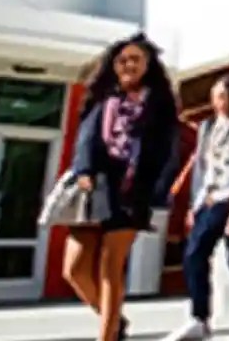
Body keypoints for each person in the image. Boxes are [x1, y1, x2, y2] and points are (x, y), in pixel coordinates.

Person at [64, 33, 180, 341]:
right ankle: (114, 322)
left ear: (148, 64)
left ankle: (107, 336)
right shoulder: (103, 97)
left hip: (133, 189)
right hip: (95, 185)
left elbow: (169, 152)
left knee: (110, 266)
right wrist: (83, 170)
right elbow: (84, 139)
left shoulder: (160, 103)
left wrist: (157, 191)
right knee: (73, 268)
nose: (129, 65)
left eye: (136, 60)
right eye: (122, 60)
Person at [165, 75, 229, 341]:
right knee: (202, 255)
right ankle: (201, 317)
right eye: (216, 97)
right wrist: (197, 203)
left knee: (220, 256)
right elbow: (207, 170)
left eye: (223, 96)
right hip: (209, 198)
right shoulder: (208, 128)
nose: (218, 102)